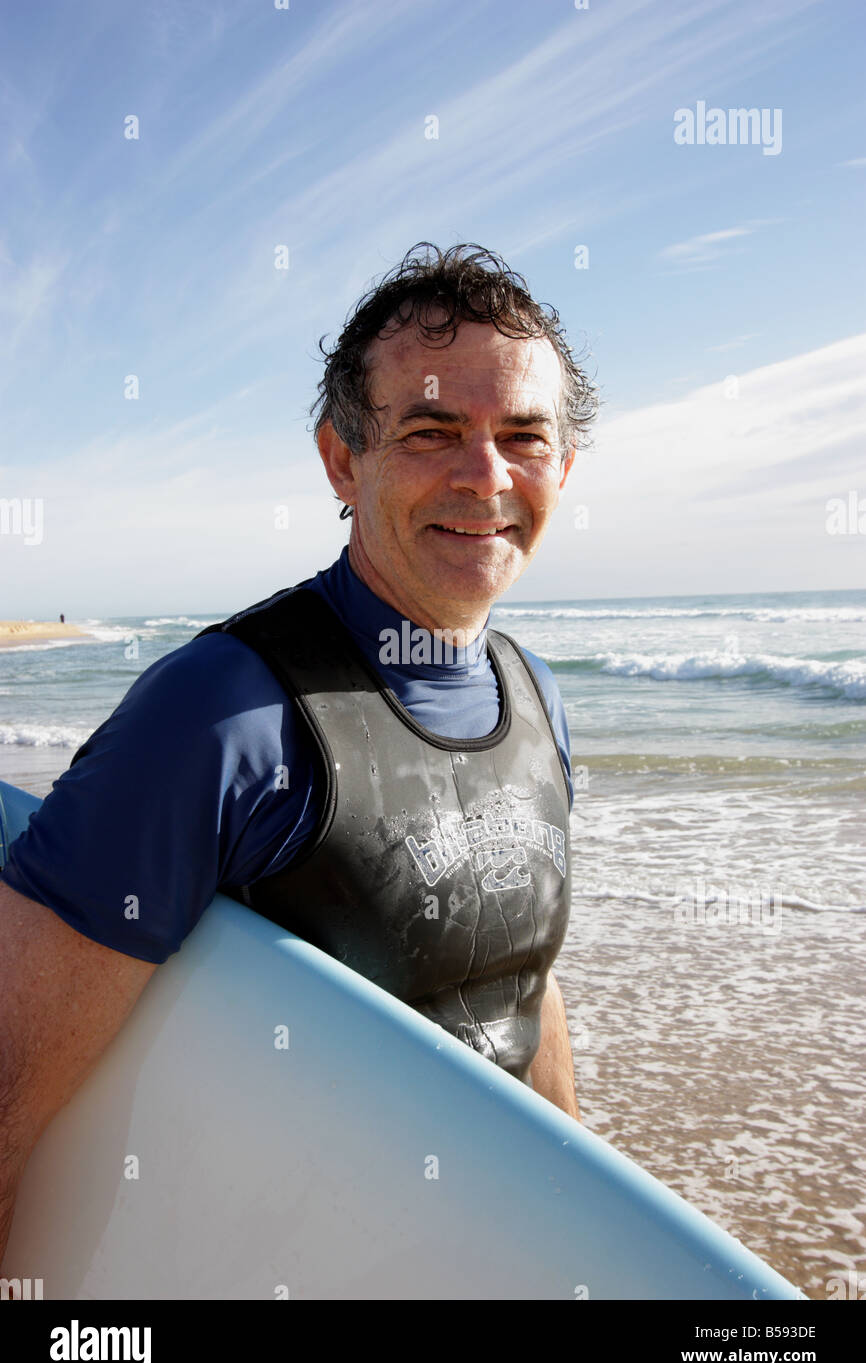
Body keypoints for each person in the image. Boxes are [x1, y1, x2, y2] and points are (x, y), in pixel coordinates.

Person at [0, 243, 599, 1264]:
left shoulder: (534, 694)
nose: (484, 476)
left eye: (522, 437)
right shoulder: (221, 717)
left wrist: (584, 1220)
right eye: (430, 430)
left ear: (563, 468)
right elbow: (13, 1085)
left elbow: (521, 983)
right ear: (339, 459)